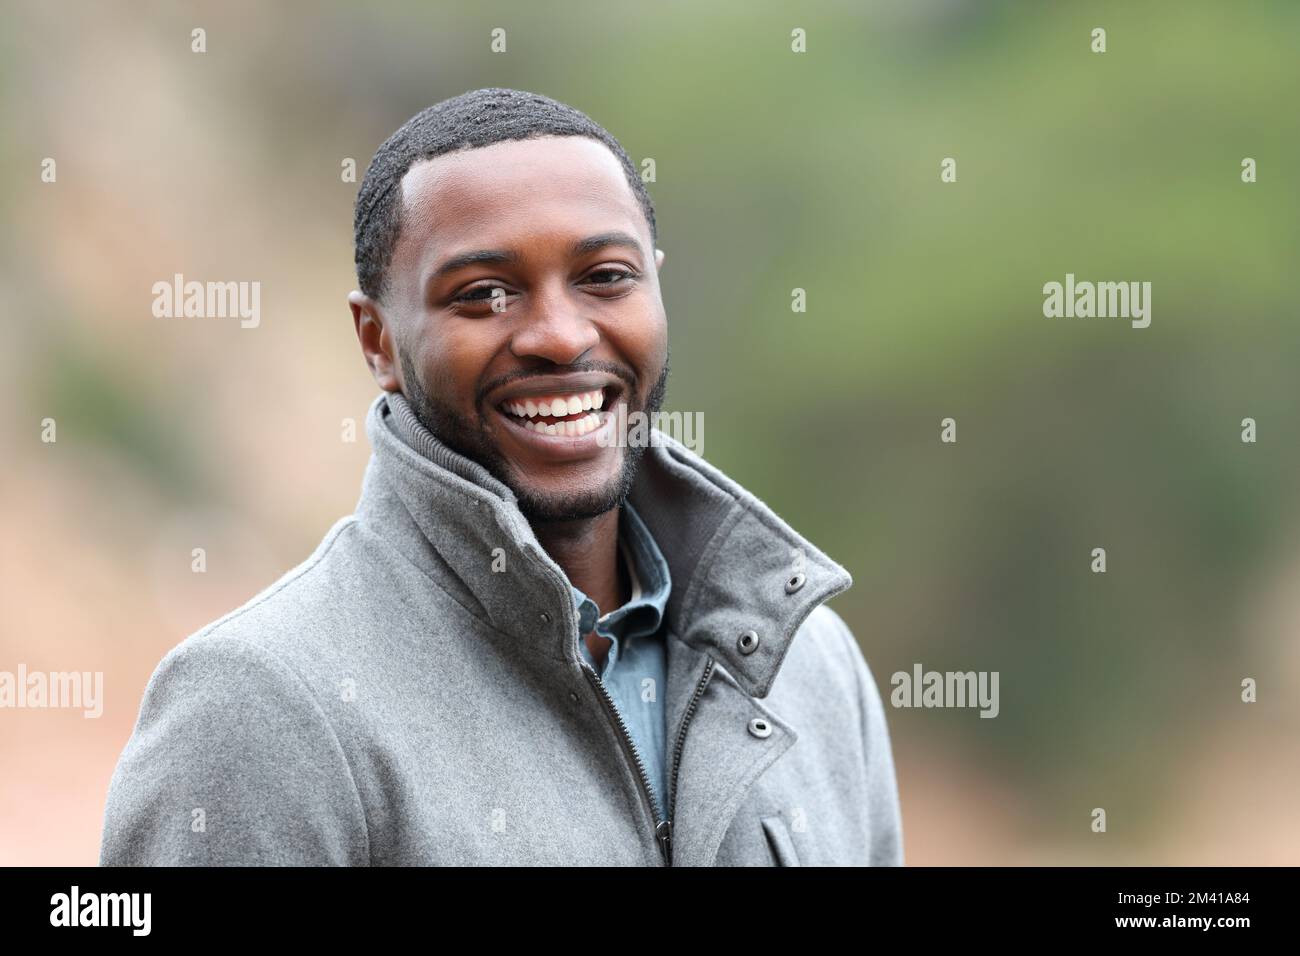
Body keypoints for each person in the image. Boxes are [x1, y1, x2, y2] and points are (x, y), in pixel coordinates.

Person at [99, 87, 903, 866]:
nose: (560, 336)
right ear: (377, 341)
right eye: (484, 294)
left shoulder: (807, 665)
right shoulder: (259, 706)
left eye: (605, 277)